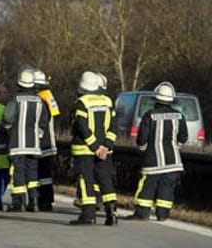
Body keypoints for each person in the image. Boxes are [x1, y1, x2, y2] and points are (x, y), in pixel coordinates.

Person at [127, 81, 188, 222]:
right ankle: (162, 214)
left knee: (147, 186)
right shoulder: (179, 115)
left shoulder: (150, 115)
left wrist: (142, 150)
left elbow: (142, 138)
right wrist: (176, 147)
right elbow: (183, 137)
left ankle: (142, 213)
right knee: (167, 188)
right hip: (174, 162)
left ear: (156, 98)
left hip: (152, 161)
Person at [69, 71, 118, 226]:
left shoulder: (82, 102)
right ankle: (112, 214)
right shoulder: (108, 101)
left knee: (86, 180)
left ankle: (88, 215)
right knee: (105, 180)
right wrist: (106, 146)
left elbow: (81, 126)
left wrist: (94, 146)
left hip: (85, 150)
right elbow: (113, 126)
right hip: (105, 151)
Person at [1, 67, 49, 212]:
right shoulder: (40, 101)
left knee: (18, 172)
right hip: (34, 144)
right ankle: (34, 201)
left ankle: (19, 202)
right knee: (32, 173)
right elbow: (44, 121)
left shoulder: (15, 98)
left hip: (17, 143)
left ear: (19, 84)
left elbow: (7, 118)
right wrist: (38, 135)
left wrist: (8, 129)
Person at [34, 69, 60, 211]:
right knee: (45, 175)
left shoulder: (40, 97)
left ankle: (41, 200)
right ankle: (47, 201)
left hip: (41, 141)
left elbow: (42, 120)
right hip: (49, 142)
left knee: (39, 173)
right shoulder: (48, 96)